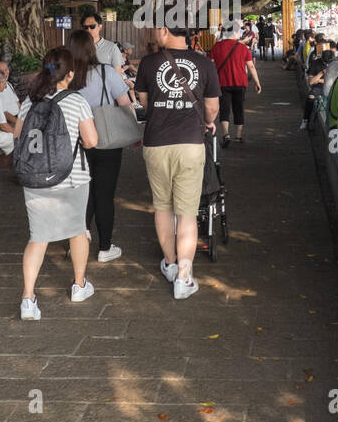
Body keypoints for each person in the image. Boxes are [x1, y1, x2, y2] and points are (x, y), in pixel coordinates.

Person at [134, 26, 221, 300]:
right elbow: (212, 107)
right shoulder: (204, 63)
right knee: (186, 212)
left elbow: (144, 101)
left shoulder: (149, 63)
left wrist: (162, 111)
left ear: (164, 30)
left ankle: (170, 264)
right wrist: (208, 122)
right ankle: (184, 278)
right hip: (191, 143)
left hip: (156, 142)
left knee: (162, 206)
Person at [11, 48, 98, 321]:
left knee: (38, 238)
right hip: (72, 178)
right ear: (70, 74)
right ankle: (79, 285)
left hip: (35, 179)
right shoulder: (77, 101)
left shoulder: (30, 100)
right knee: (77, 232)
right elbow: (92, 140)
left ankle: (28, 299)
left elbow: (17, 136)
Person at [68, 29, 134, 262]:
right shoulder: (106, 72)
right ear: (92, 49)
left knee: (81, 194)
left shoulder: (67, 76)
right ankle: (105, 248)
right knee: (104, 194)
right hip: (107, 140)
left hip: (76, 141)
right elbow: (125, 103)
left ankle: (78, 242)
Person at [209, 21, 261, 147]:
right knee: (238, 109)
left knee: (224, 109)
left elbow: (210, 65)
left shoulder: (217, 46)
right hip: (240, 83)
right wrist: (257, 82)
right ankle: (238, 136)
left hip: (222, 83)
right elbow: (251, 67)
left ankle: (226, 134)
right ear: (236, 32)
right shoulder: (243, 48)